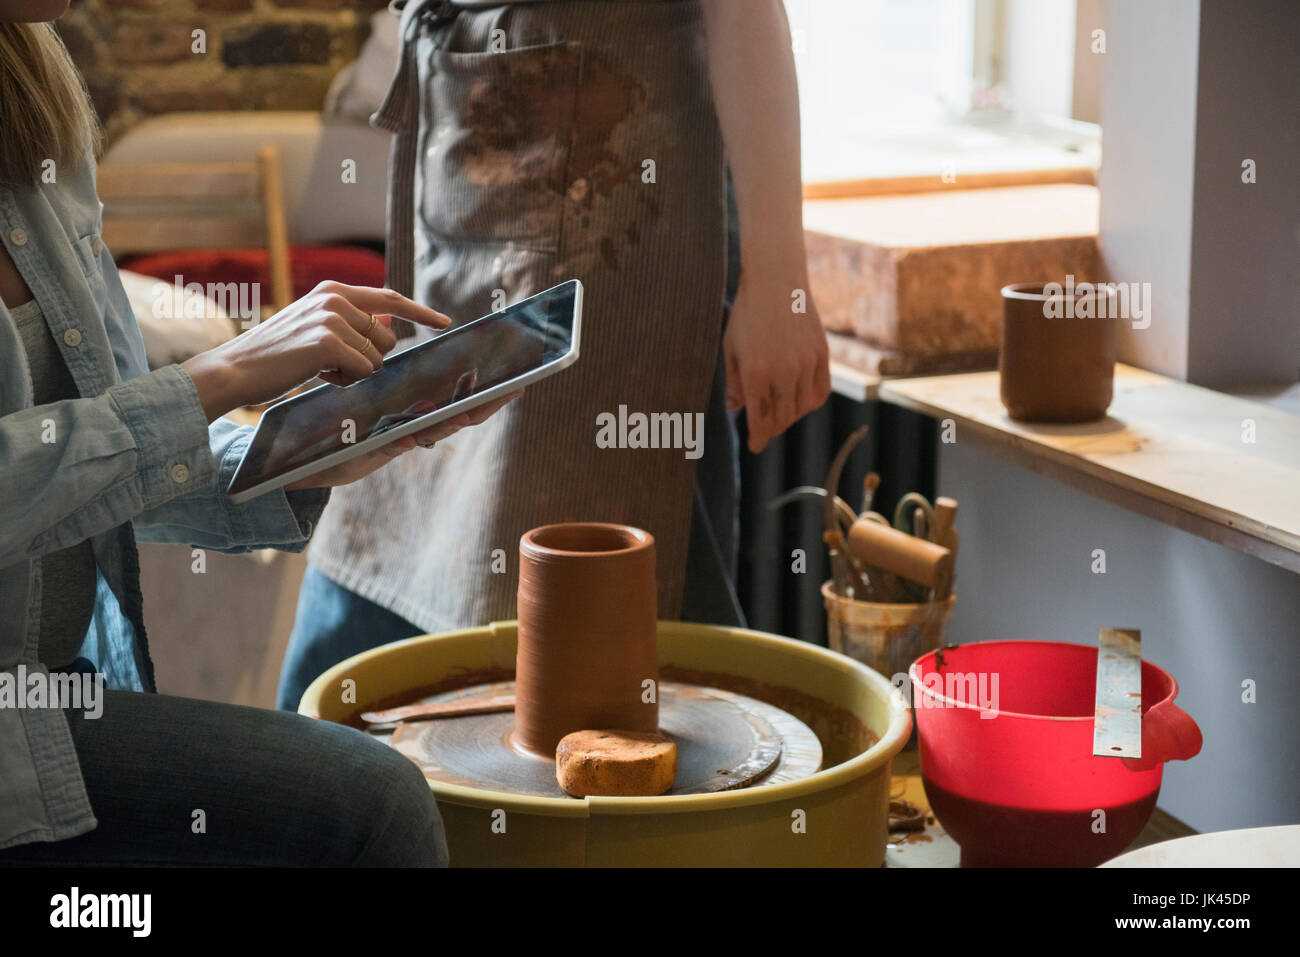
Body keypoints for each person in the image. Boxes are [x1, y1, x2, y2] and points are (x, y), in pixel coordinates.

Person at [0, 2, 511, 864]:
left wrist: (318, 440)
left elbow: (105, 460)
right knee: (378, 803)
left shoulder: (34, 96)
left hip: (51, 699)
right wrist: (222, 374)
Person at [276, 0, 830, 710]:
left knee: (604, 641)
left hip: (613, 230)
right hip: (464, 171)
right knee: (371, 611)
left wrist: (779, 277)